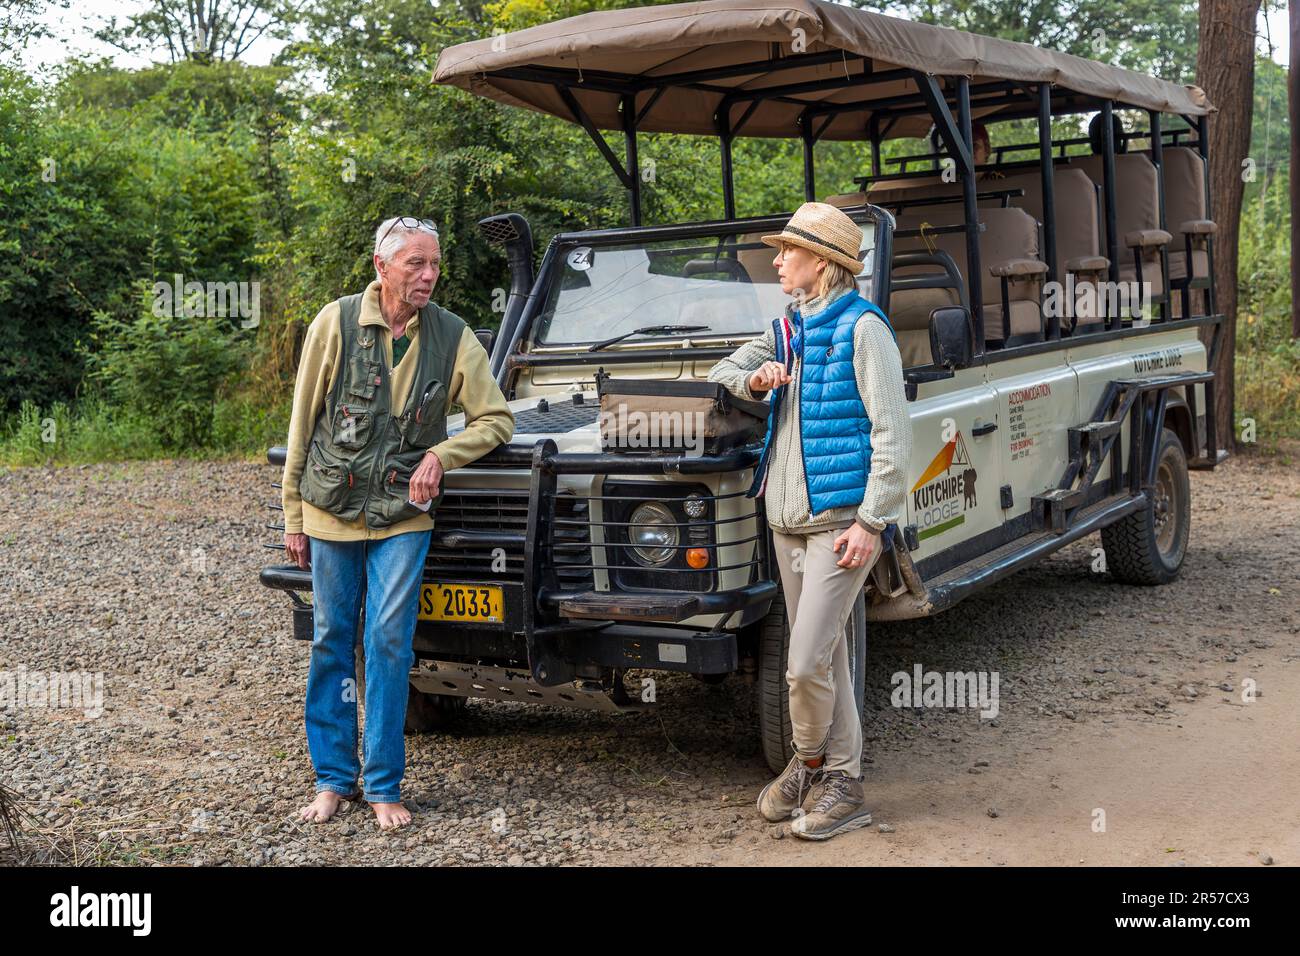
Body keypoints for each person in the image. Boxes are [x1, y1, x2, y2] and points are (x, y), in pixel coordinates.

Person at [282, 216, 514, 830]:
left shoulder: (454, 335)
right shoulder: (332, 323)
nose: (429, 275)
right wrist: (292, 514)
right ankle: (333, 780)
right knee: (334, 640)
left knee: (388, 642)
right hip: (330, 509)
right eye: (416, 263)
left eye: (435, 263)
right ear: (382, 268)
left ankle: (383, 783)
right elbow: (302, 423)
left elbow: (496, 420)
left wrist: (442, 454)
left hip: (403, 516)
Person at [708, 202, 912, 841]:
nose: (776, 261)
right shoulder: (788, 328)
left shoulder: (864, 329)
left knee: (802, 665)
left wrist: (873, 522)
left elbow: (893, 434)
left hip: (841, 523)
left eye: (787, 252)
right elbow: (723, 371)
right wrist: (759, 380)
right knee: (824, 654)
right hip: (787, 520)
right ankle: (841, 780)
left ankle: (812, 764)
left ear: (819, 263)